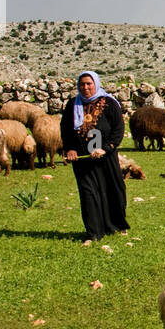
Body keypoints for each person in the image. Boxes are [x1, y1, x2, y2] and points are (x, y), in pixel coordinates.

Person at [61, 71, 130, 241]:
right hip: (83, 161)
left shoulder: (109, 104)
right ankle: (94, 232)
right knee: (88, 194)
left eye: (88, 84)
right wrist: (70, 149)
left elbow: (118, 129)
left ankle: (117, 225)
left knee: (113, 191)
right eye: (82, 84)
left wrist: (106, 148)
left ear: (96, 84)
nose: (85, 87)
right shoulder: (72, 105)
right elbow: (65, 130)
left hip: (106, 157)